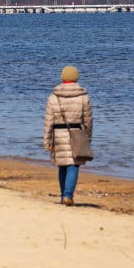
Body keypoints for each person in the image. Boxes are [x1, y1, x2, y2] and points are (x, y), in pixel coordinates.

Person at [43, 65, 93, 206]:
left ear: (62, 78)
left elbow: (48, 121)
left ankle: (63, 195)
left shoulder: (53, 97)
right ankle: (68, 195)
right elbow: (88, 119)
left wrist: (47, 140)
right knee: (73, 165)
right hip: (77, 133)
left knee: (62, 165)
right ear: (76, 78)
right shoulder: (83, 96)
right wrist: (88, 137)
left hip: (58, 134)